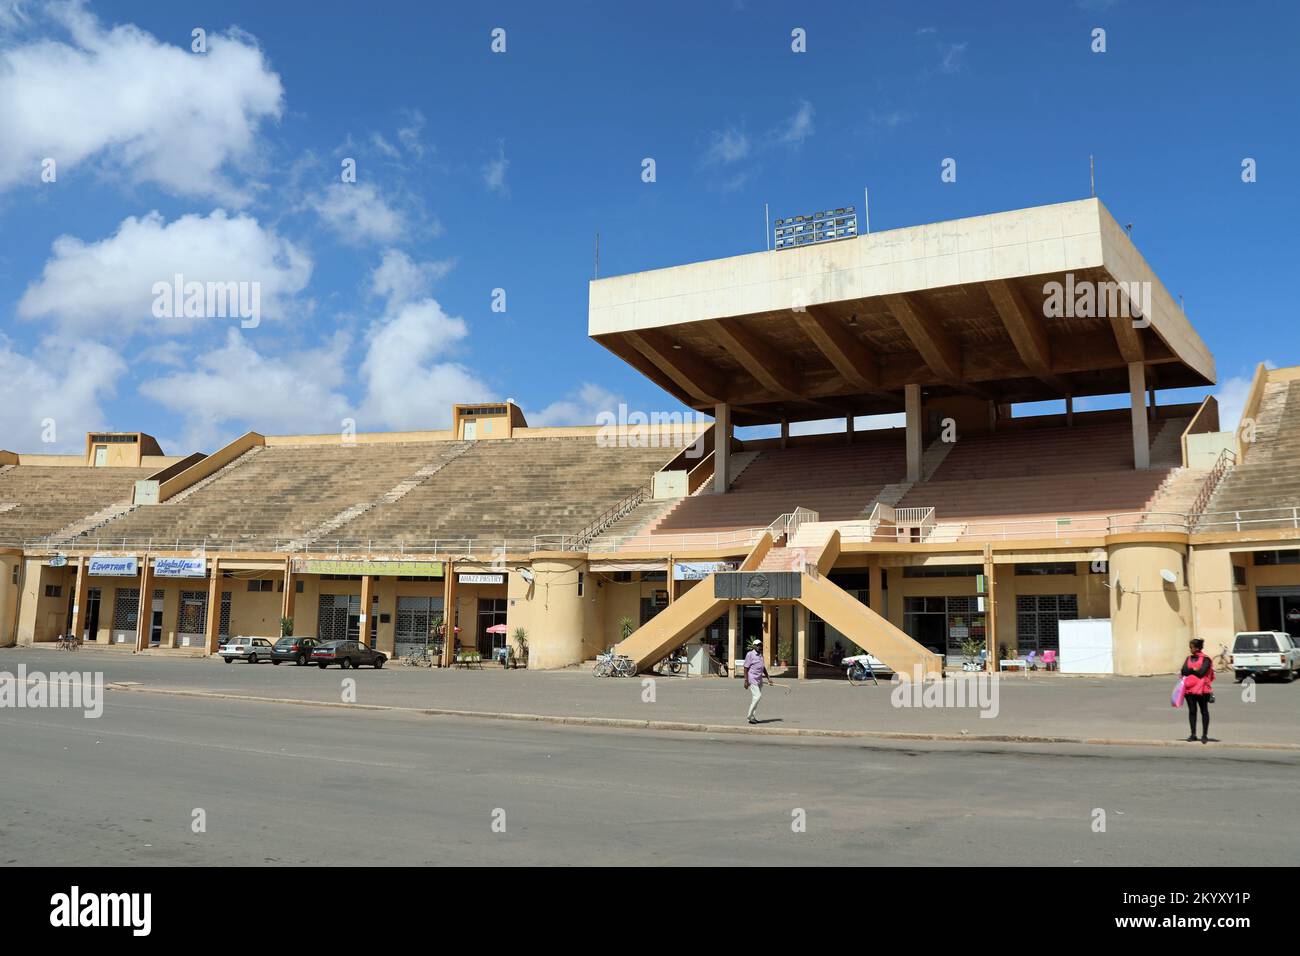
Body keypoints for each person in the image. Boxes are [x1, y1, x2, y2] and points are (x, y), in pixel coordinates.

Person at [1180, 638, 1214, 743]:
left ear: (1197, 648)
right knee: (1192, 711)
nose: (1190, 649)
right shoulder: (1188, 658)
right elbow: (1183, 671)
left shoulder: (1206, 659)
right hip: (1189, 689)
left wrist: (1191, 670)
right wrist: (1193, 670)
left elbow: (1202, 672)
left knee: (1204, 711)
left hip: (1202, 689)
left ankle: (1204, 735)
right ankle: (1193, 734)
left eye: (1191, 647)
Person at [743, 639, 768, 725]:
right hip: (752, 679)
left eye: (760, 645)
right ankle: (749, 716)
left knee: (756, 699)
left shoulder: (761, 655)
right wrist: (746, 681)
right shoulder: (750, 654)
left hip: (759, 679)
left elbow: (763, 667)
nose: (759, 647)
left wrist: (768, 678)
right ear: (754, 646)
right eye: (757, 645)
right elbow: (746, 668)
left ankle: (752, 718)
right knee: (758, 696)